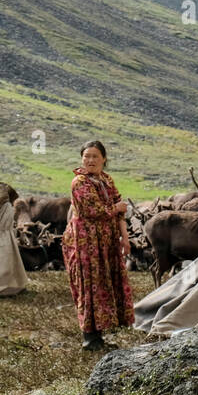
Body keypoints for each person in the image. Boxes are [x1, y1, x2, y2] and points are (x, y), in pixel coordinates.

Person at [63, 140, 133, 350]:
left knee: (104, 283)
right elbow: (92, 211)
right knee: (89, 284)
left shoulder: (106, 180)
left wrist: (125, 237)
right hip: (84, 242)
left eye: (95, 156)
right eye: (86, 156)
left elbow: (119, 210)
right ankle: (89, 337)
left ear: (104, 159)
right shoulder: (79, 182)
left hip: (106, 242)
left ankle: (99, 335)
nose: (90, 160)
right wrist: (116, 207)